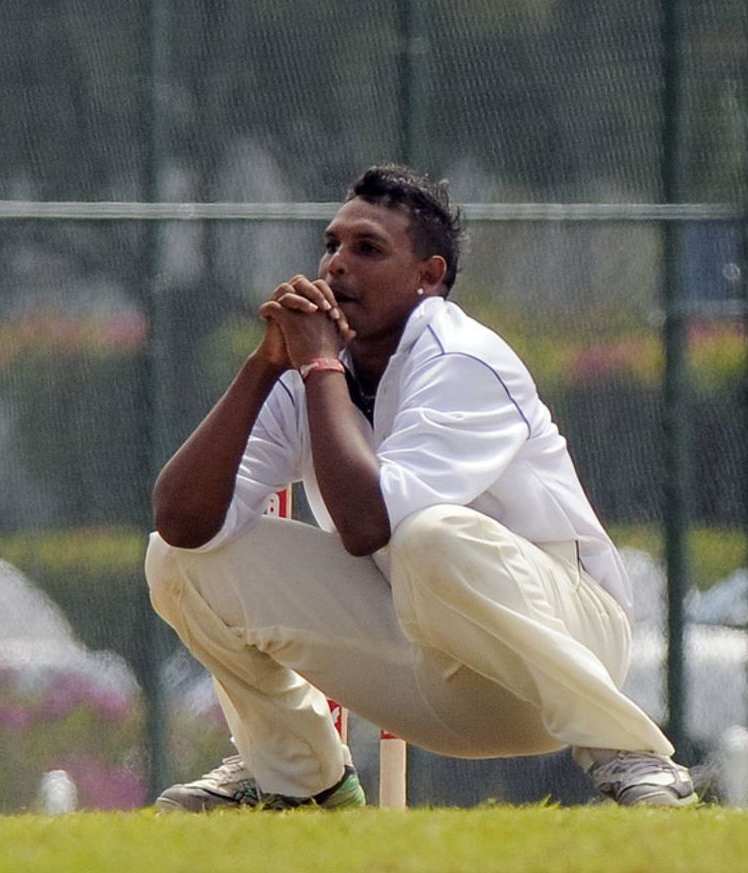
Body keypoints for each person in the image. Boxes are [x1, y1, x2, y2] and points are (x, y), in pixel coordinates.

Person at [145, 164, 696, 811]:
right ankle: (298, 777)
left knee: (429, 535)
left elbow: (367, 523)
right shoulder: (313, 368)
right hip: (425, 665)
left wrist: (317, 364)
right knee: (177, 556)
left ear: (429, 276)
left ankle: (627, 750)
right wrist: (263, 365)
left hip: (558, 655)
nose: (337, 265)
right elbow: (184, 519)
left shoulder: (462, 358)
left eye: (368, 248)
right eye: (331, 245)